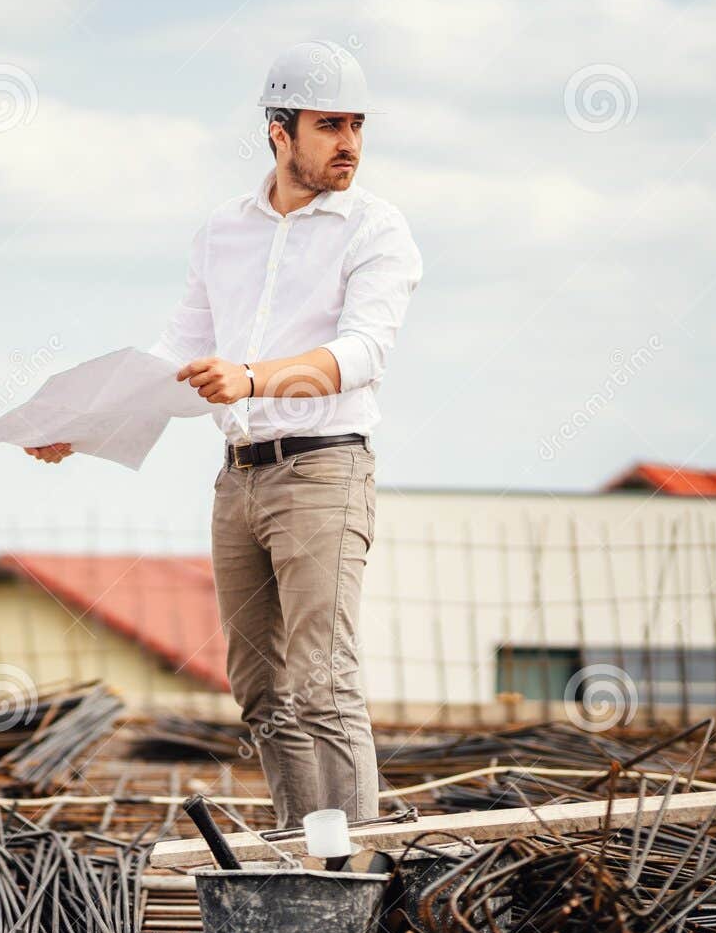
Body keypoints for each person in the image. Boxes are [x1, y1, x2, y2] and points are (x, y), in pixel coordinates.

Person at [26, 40, 422, 829]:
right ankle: (304, 841)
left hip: (325, 474)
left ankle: (353, 865)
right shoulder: (221, 232)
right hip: (238, 478)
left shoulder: (377, 228)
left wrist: (252, 375)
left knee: (323, 680)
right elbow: (178, 354)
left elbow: (363, 353)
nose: (349, 144)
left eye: (357, 125)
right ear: (280, 132)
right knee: (260, 685)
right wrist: (88, 421)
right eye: (329, 125)